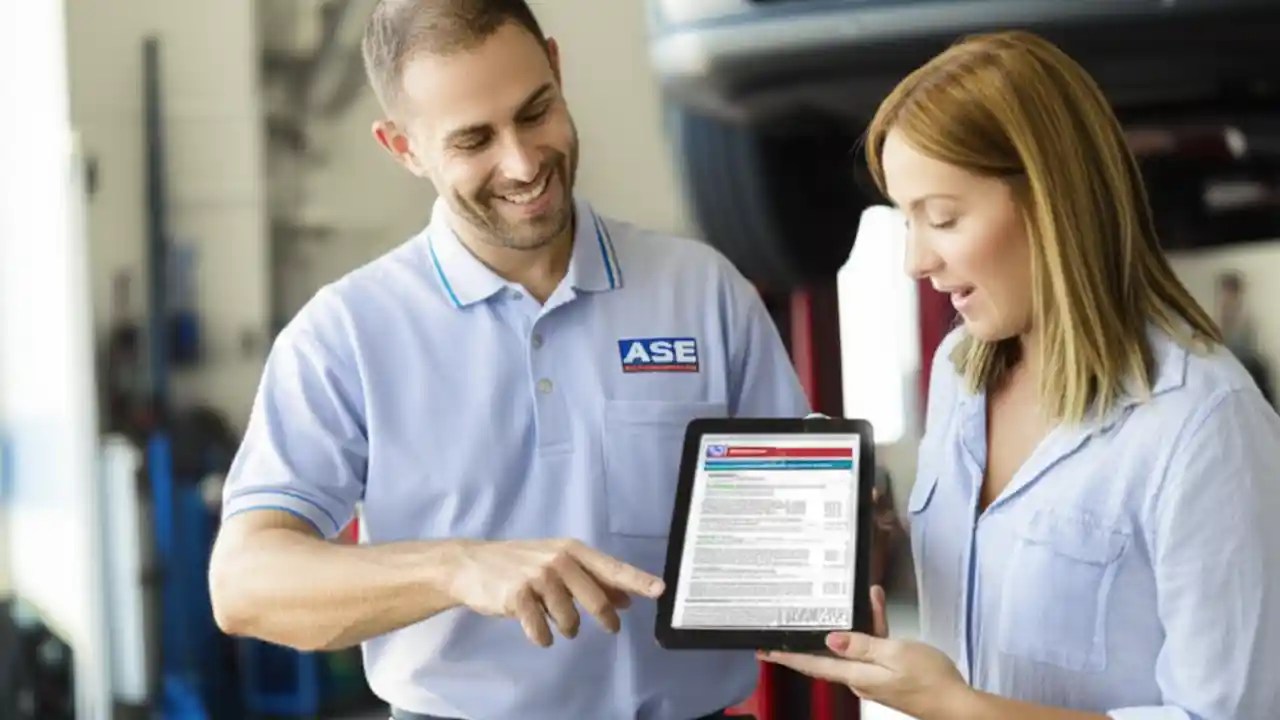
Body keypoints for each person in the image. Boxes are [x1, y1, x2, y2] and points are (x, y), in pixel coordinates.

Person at [206, 1, 810, 718]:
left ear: (556, 68)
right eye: (473, 140)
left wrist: (851, 538)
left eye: (535, 112)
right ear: (403, 147)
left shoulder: (704, 292)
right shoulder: (346, 333)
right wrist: (456, 568)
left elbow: (797, 553)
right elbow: (244, 585)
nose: (523, 163)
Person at [761, 30, 1280, 719]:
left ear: (1049, 200)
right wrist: (867, 540)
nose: (916, 260)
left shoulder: (1205, 424)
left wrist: (958, 707)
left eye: (941, 218)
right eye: (905, 220)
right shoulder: (959, 372)